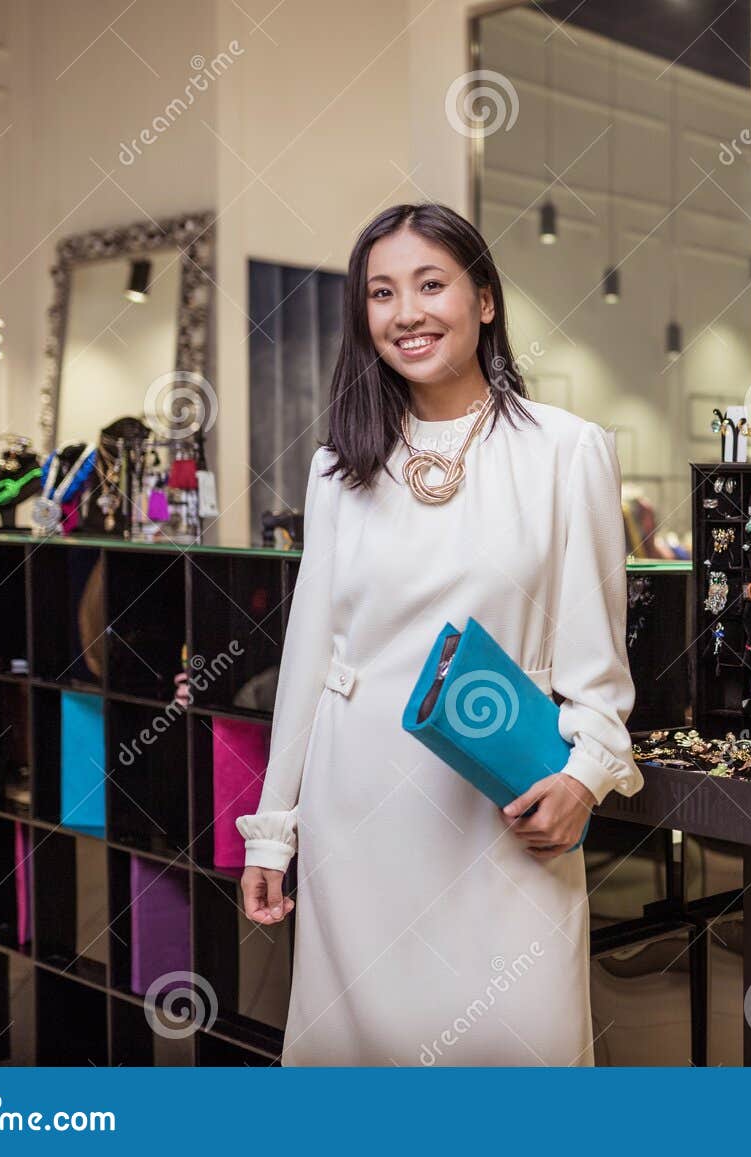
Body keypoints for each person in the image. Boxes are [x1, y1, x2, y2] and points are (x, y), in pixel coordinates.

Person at [236, 202, 643, 1065]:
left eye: (431, 284)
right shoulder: (338, 466)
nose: (406, 312)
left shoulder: (567, 452)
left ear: (485, 299)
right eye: (382, 293)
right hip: (358, 820)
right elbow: (309, 656)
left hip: (498, 814)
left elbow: (597, 669)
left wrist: (586, 777)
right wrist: (274, 826)